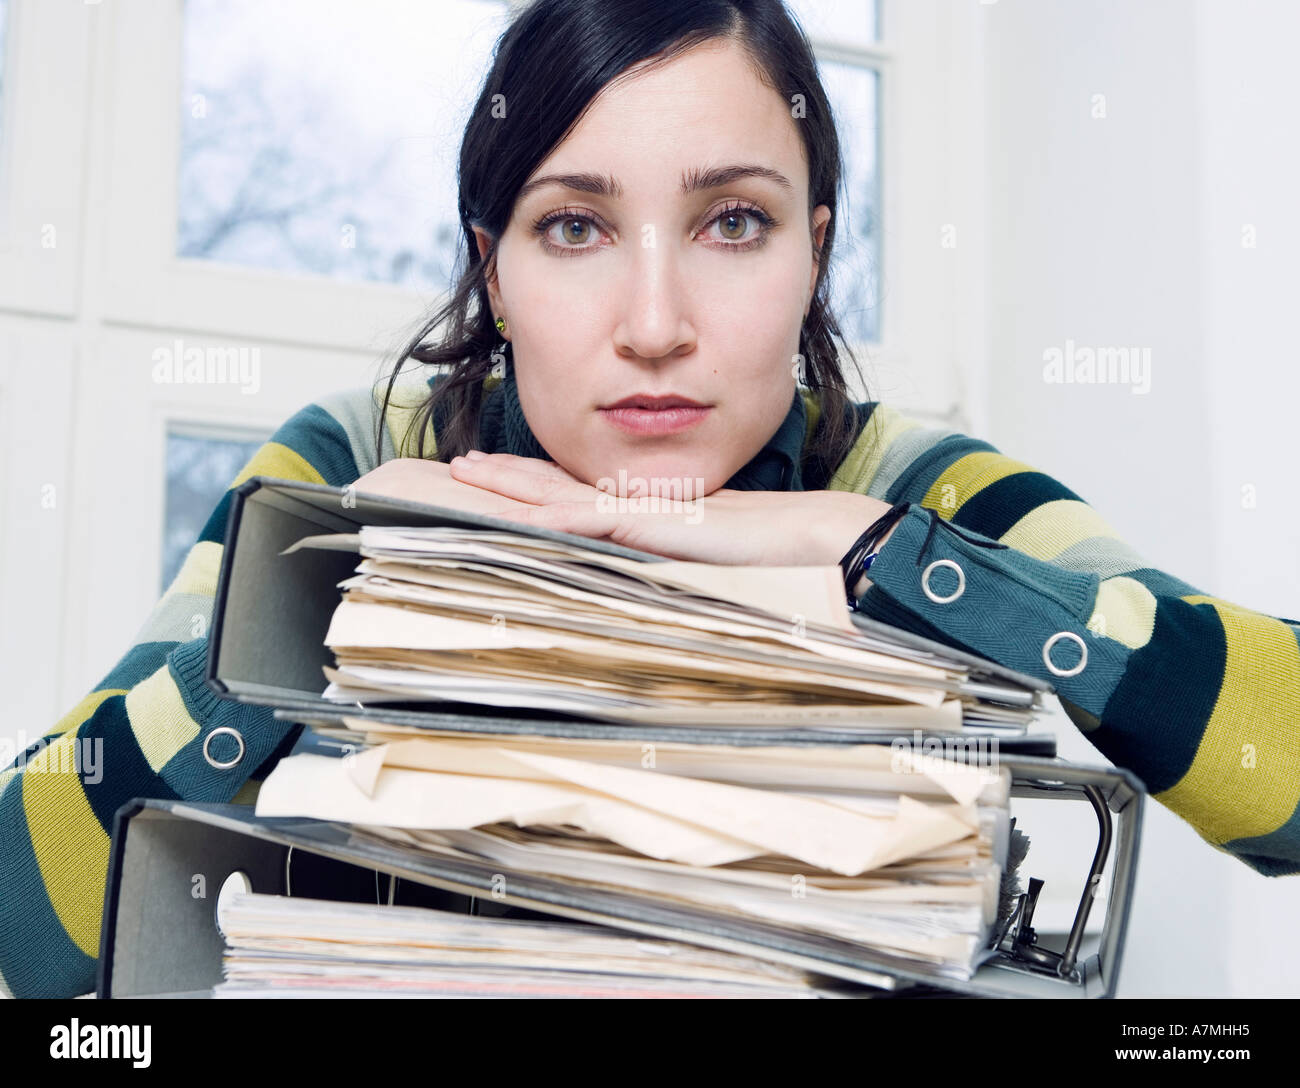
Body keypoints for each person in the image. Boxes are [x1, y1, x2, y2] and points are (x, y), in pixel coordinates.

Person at [2, 0, 1296, 1000]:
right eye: (574, 226)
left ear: (817, 254)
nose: (659, 324)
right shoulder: (355, 454)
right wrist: (299, 603)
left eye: (733, 221)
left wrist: (889, 555)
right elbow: (24, 929)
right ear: (493, 276)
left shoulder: (915, 488)